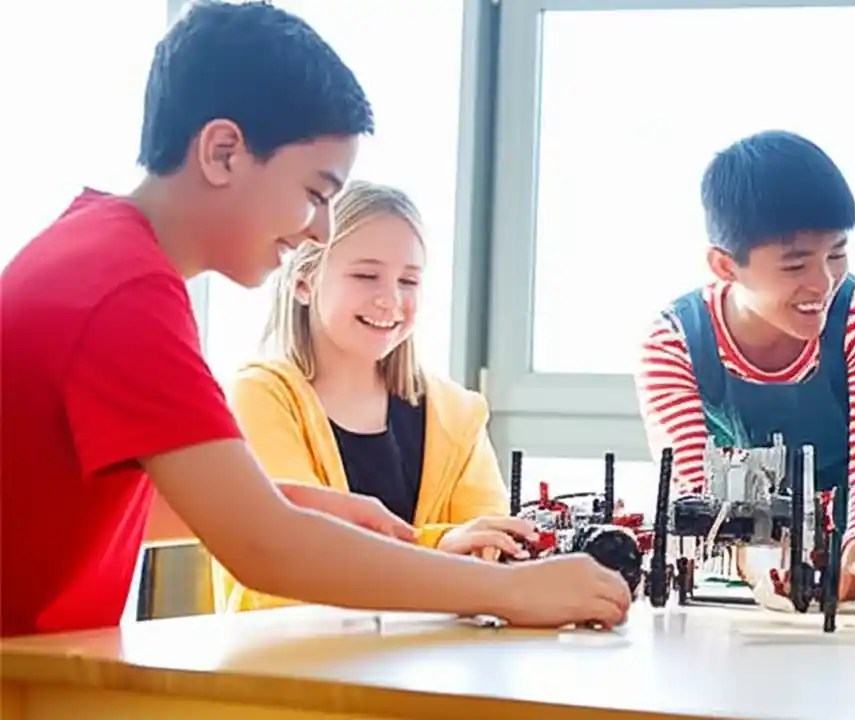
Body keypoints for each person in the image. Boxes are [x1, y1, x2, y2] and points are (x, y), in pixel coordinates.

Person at [0, 0, 628, 638]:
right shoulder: (125, 292)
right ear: (222, 152)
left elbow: (121, 506)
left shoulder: (92, 248)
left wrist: (301, 505)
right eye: (315, 194)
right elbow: (264, 549)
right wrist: (513, 590)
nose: (319, 228)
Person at [634, 130, 855, 602]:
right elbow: (693, 498)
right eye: (795, 266)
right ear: (726, 266)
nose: (824, 282)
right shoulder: (675, 340)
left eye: (837, 253)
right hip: (733, 582)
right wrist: (759, 563)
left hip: (848, 575)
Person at [213, 180, 532, 612]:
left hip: (425, 665)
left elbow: (488, 554)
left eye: (409, 280)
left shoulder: (458, 414)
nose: (390, 299)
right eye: (366, 276)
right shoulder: (261, 396)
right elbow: (293, 555)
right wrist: (439, 548)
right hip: (290, 666)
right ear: (304, 283)